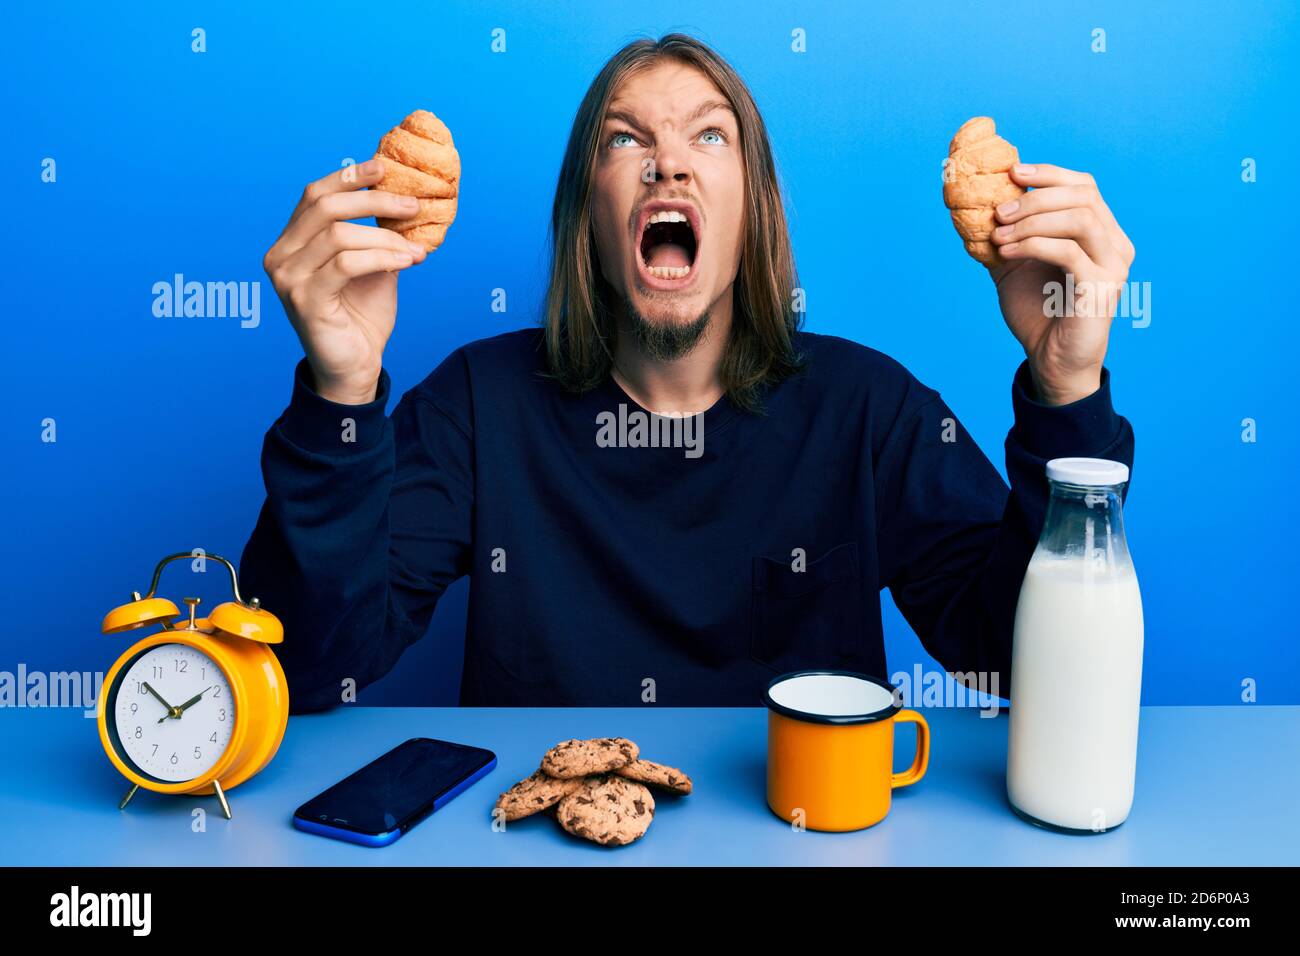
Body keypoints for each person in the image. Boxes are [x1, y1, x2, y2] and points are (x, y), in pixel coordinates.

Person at [242, 33, 1135, 713]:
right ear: (588, 217)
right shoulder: (481, 406)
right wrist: (341, 388)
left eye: (709, 136)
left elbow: (1022, 663)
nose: (667, 160)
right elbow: (319, 669)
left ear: (752, 210)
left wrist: (1066, 385)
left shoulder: (868, 408)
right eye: (625, 141)